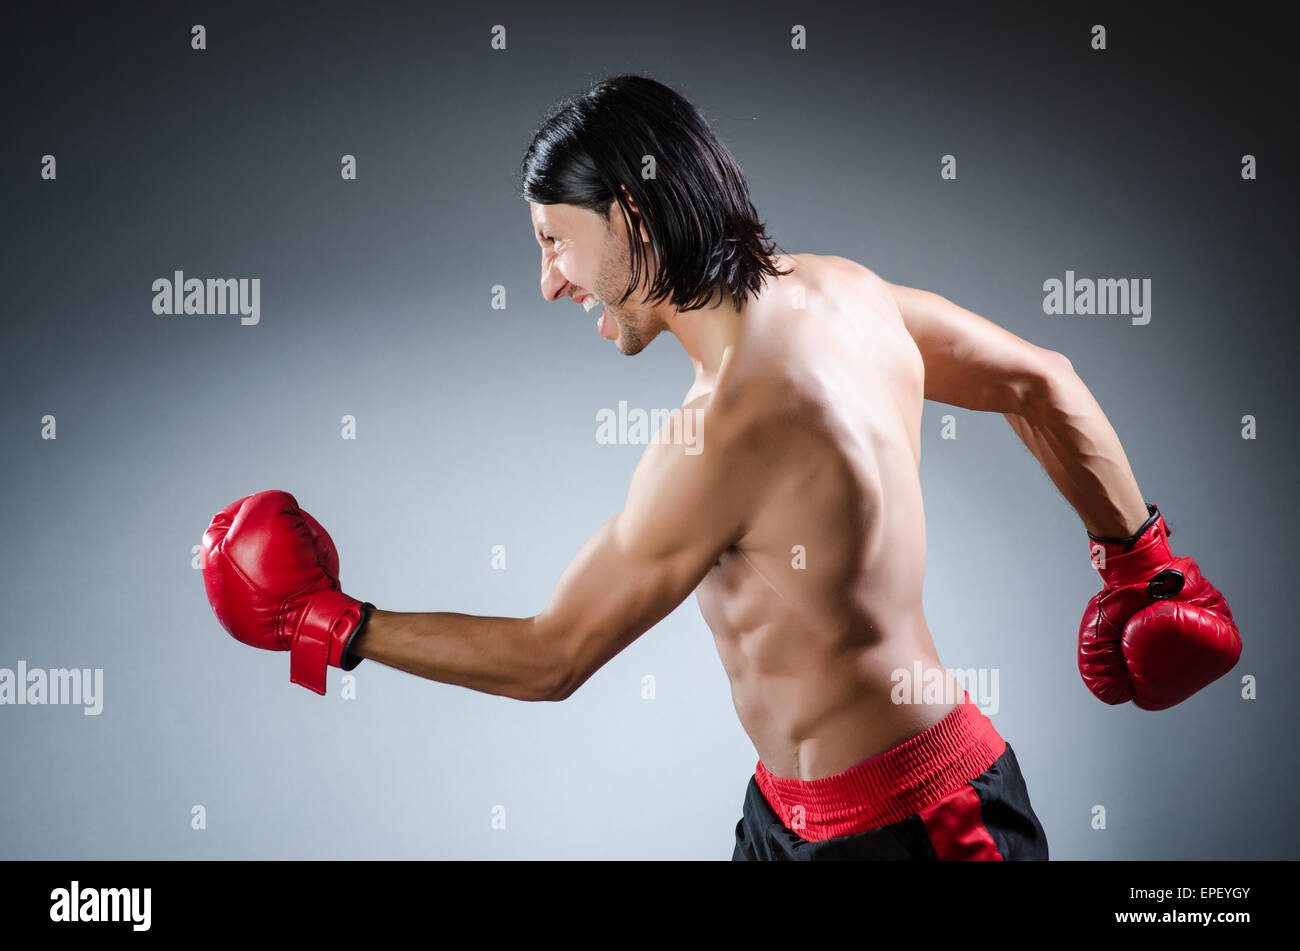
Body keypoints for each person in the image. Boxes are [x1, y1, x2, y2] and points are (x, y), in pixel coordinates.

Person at [199, 74, 1241, 860]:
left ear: (632, 218)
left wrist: (330, 625)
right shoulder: (845, 293)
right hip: (784, 820)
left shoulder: (723, 432)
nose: (548, 283)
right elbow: (1041, 380)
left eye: (556, 244)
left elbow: (552, 656)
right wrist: (1142, 565)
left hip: (919, 830)